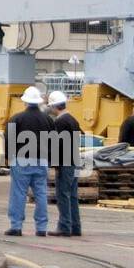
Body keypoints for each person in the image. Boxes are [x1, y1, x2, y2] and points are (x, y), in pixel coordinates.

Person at [5, 86, 53, 236]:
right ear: (38, 102)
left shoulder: (16, 119)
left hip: (21, 160)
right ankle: (41, 228)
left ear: (25, 102)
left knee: (18, 193)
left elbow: (9, 140)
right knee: (41, 194)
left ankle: (16, 226)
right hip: (42, 160)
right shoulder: (48, 119)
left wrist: (8, 157)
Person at [47, 91, 82, 237]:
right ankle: (75, 226)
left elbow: (57, 146)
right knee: (72, 195)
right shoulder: (73, 120)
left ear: (55, 106)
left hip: (65, 163)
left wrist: (54, 163)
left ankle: (64, 226)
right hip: (75, 161)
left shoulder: (60, 122)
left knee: (63, 195)